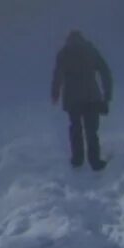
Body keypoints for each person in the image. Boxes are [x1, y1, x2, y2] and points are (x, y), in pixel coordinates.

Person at [50, 28, 114, 171]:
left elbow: (57, 76)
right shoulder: (90, 50)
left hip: (72, 99)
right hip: (91, 97)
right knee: (91, 130)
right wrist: (107, 94)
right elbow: (105, 71)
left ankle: (77, 160)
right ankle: (95, 161)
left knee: (76, 129)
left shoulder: (64, 54)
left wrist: (55, 94)